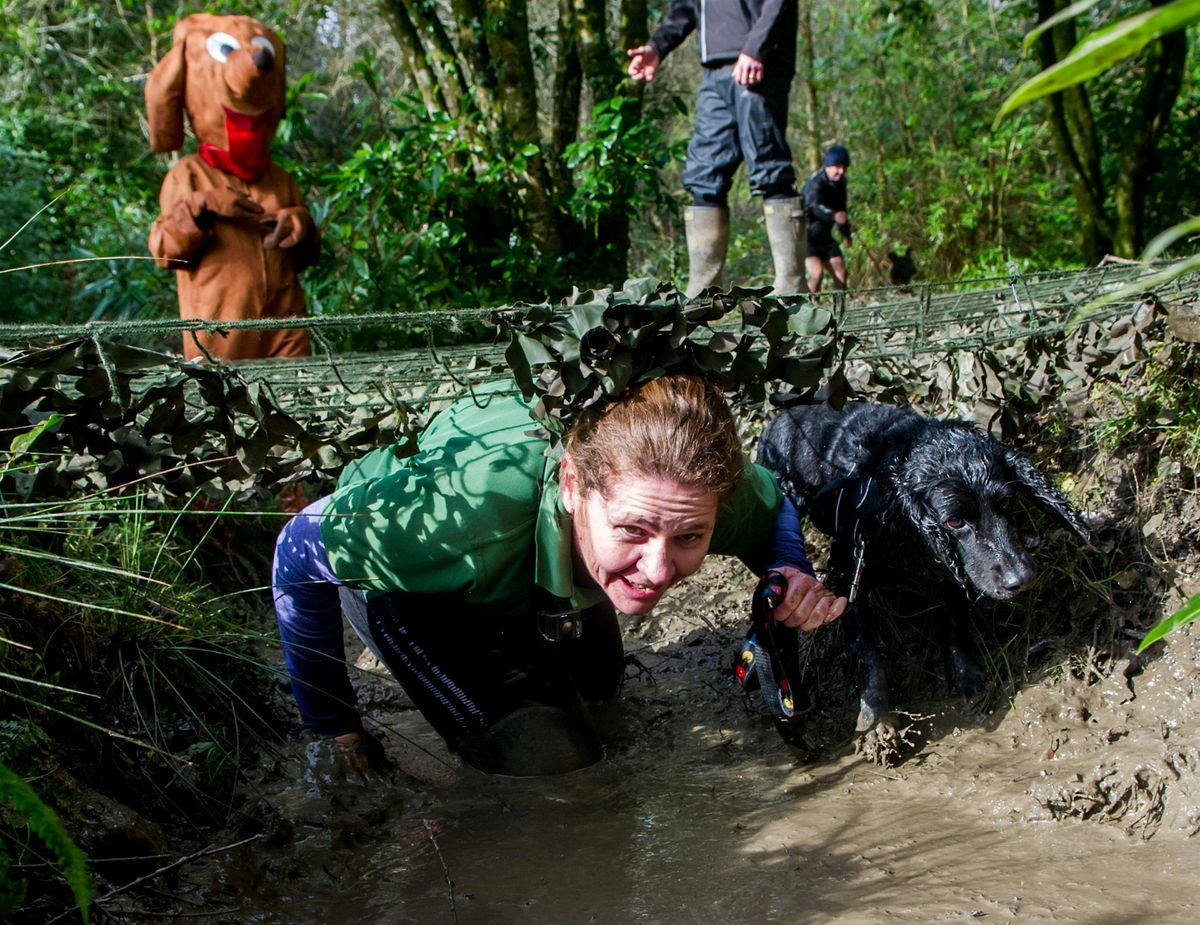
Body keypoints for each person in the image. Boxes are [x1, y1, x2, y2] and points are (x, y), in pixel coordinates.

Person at [272, 375, 846, 778]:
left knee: (601, 696)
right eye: (632, 530)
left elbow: (773, 505)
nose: (659, 569)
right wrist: (333, 731)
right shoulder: (465, 520)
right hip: (421, 580)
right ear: (573, 484)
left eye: (690, 538)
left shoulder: (686, 490)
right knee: (549, 759)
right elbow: (297, 546)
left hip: (547, 564)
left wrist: (788, 567)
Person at [626, 1, 806, 296]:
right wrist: (657, 47)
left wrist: (756, 48)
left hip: (759, 61)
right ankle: (705, 293)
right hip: (714, 71)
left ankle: (791, 288)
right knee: (704, 177)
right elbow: (685, 7)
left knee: (770, 168)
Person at [802, 144, 853, 292]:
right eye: (837, 167)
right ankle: (811, 309)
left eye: (844, 168)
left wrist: (846, 234)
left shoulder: (840, 183)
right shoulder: (815, 183)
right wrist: (832, 215)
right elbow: (814, 207)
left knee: (841, 273)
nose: (841, 171)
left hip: (825, 237)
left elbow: (842, 210)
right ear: (828, 166)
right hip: (807, 238)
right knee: (816, 274)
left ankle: (839, 309)